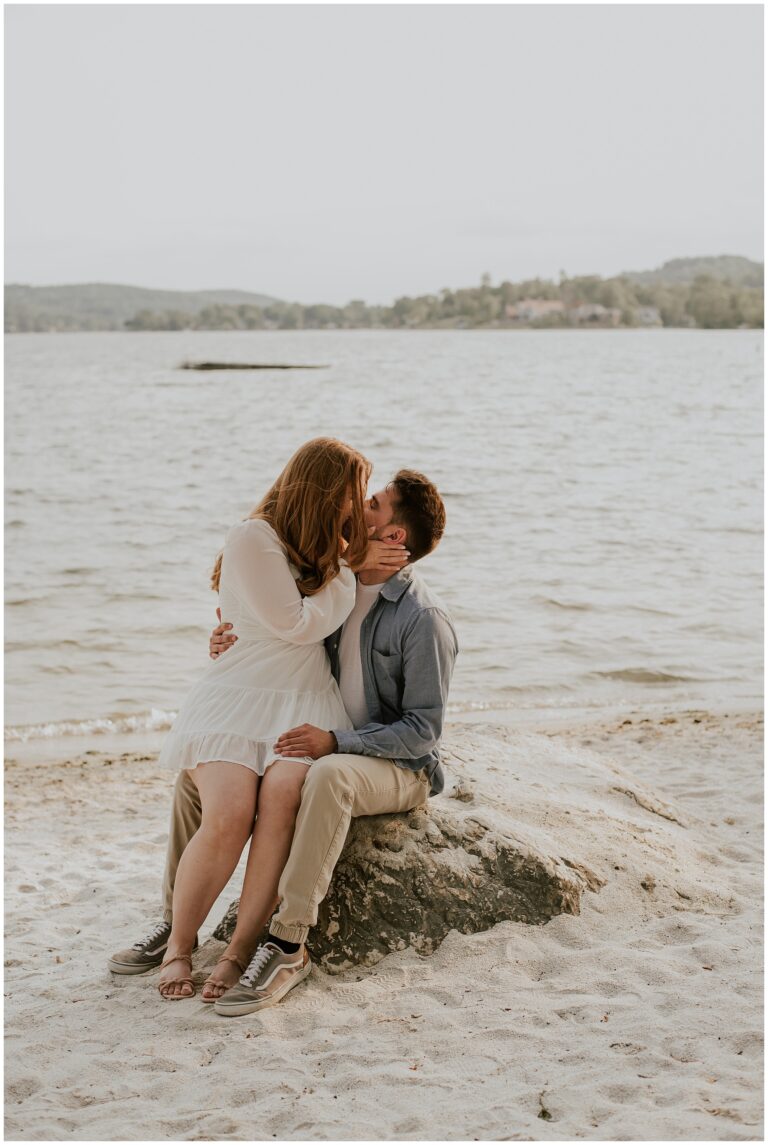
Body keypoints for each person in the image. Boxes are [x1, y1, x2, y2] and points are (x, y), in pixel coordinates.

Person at [110, 469, 457, 1013]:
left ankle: (288, 943)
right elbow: (282, 631)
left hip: (395, 762)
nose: (356, 505)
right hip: (326, 731)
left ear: (392, 537)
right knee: (205, 768)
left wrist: (337, 741)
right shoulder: (336, 581)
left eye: (372, 503)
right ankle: (178, 924)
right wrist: (229, 639)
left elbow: (423, 732)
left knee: (323, 776)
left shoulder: (421, 617)